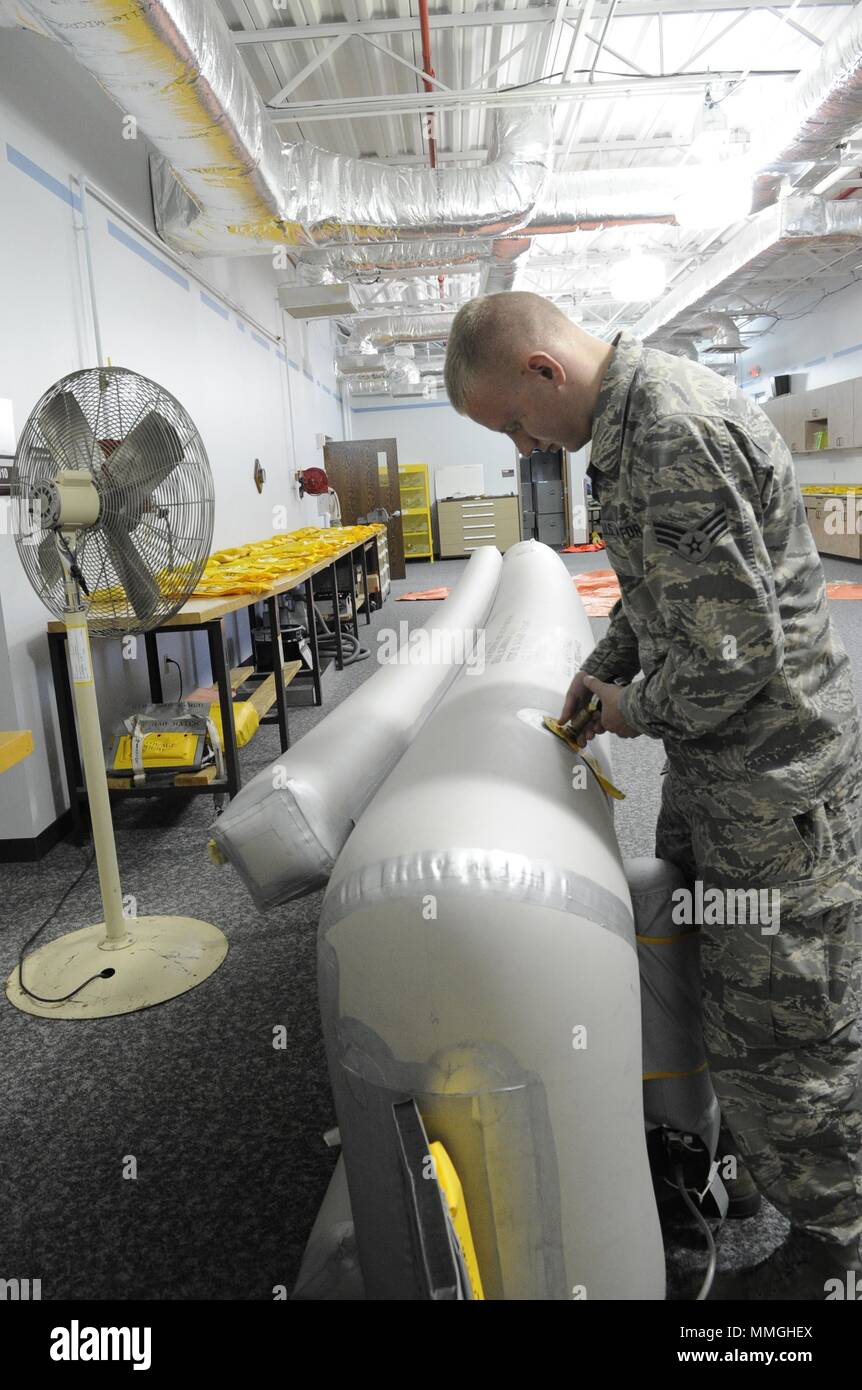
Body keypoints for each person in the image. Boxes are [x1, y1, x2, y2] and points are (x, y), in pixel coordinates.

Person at [444, 290, 862, 1299]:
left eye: (511, 420)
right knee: (708, 976)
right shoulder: (627, 434)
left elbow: (735, 657)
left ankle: (840, 1241)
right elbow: (655, 591)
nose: (523, 443)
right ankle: (753, 1164)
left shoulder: (670, 429)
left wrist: (628, 710)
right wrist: (601, 669)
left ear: (542, 371)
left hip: (773, 782)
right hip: (720, 768)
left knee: (789, 1028)